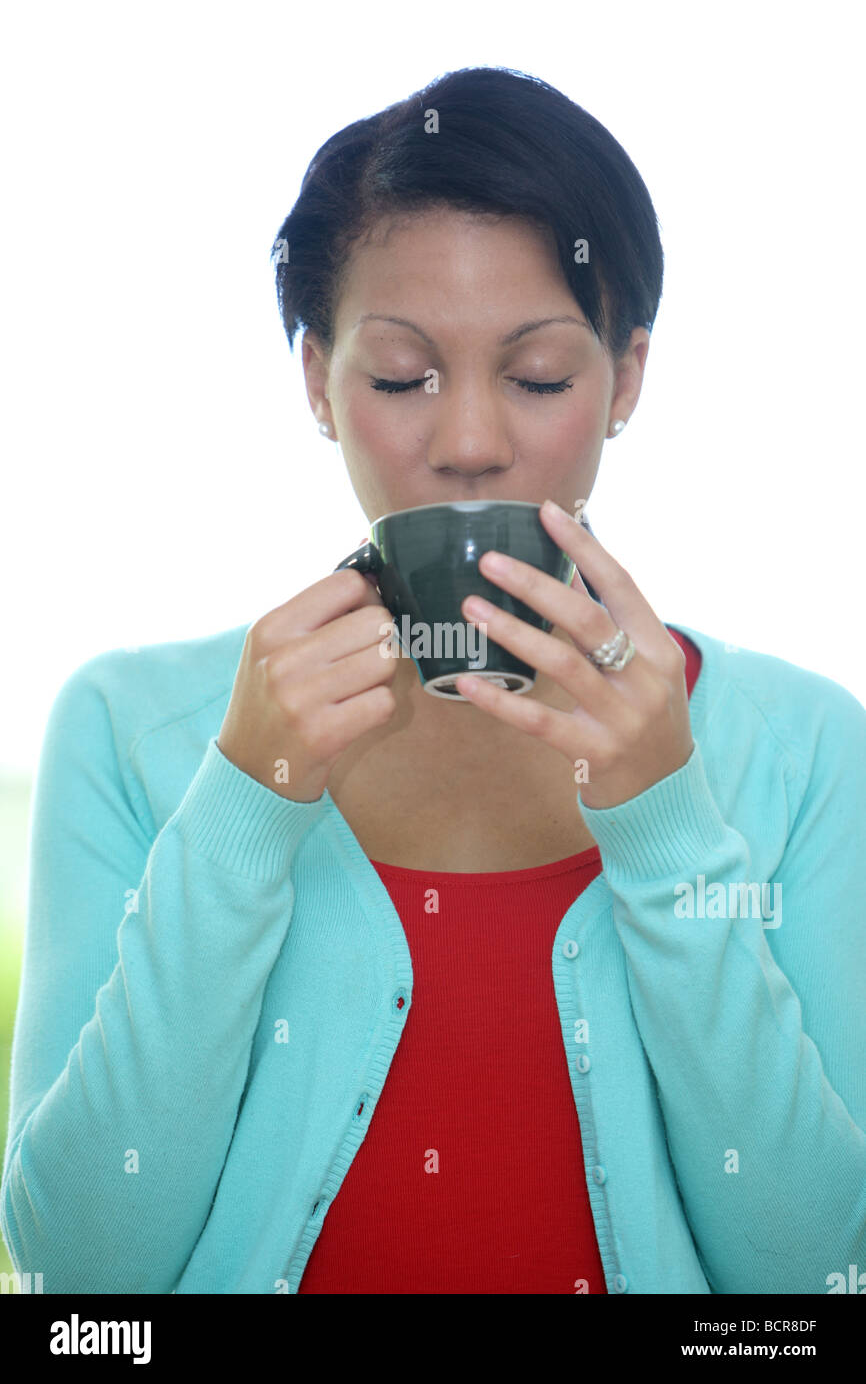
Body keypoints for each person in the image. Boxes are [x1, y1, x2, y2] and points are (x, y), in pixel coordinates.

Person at [2, 65, 865, 1296]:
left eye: (540, 377)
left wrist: (667, 820)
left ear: (626, 379)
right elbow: (85, 1266)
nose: (466, 441)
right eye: (401, 376)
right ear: (316, 379)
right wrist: (245, 805)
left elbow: (805, 1275)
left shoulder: (805, 748)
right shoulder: (131, 732)